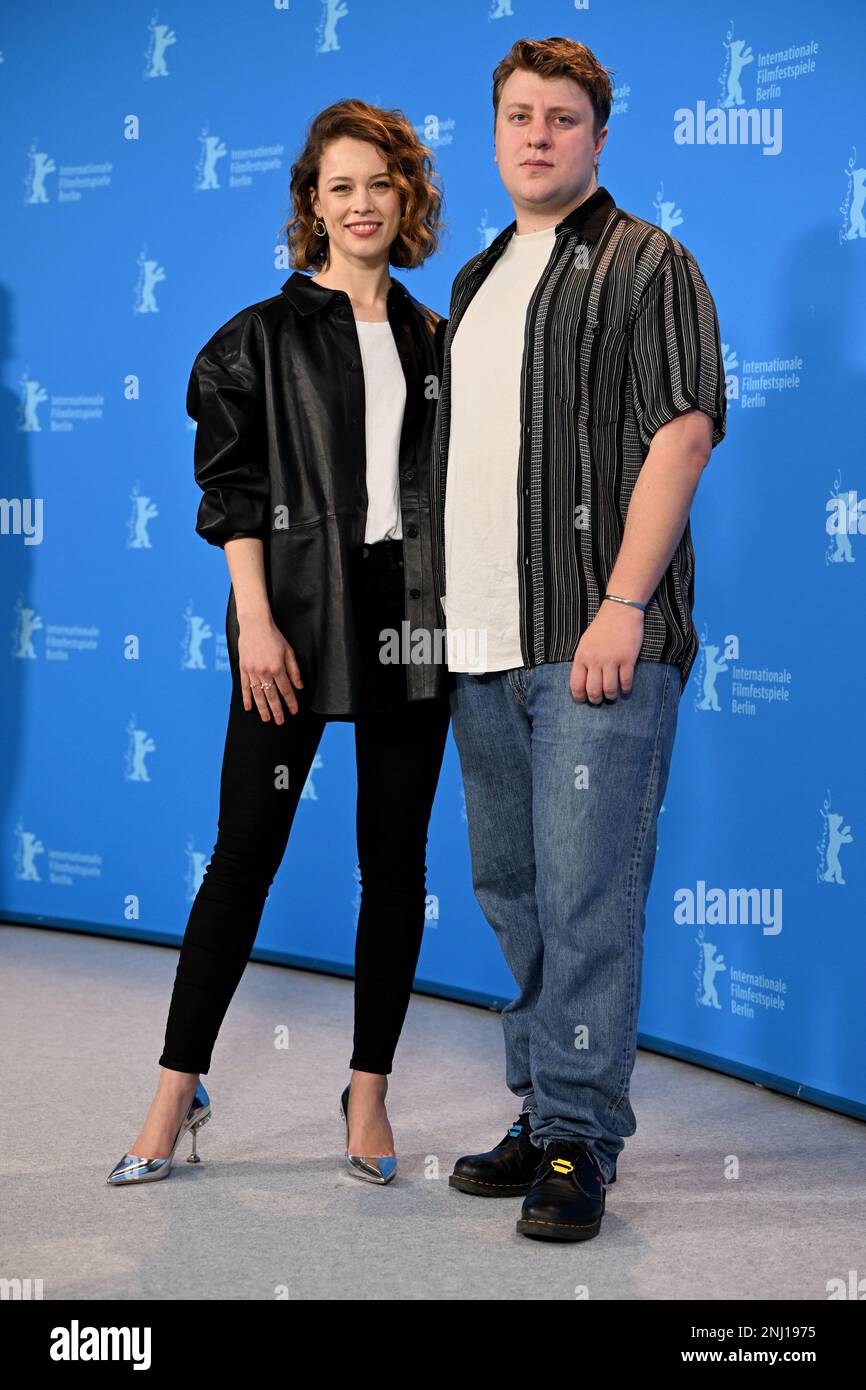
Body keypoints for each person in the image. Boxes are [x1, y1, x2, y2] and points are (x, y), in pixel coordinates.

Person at [107, 100, 451, 1188]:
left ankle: (366, 1093)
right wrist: (253, 619)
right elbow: (235, 490)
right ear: (311, 203)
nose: (360, 204)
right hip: (291, 621)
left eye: (379, 185)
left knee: (393, 863)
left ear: (406, 201)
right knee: (243, 856)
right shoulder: (253, 336)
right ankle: (174, 1089)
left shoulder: (433, 338)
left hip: (410, 621)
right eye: (339, 186)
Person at [430, 37, 727, 1241]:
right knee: (513, 891)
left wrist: (622, 604)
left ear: (598, 136)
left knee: (587, 893)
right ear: (493, 133)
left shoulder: (649, 262)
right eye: (516, 115)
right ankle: (544, 1107)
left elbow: (682, 431)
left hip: (592, 633)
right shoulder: (477, 276)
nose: (537, 134)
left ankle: (579, 1143)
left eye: (561, 117)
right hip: (479, 642)